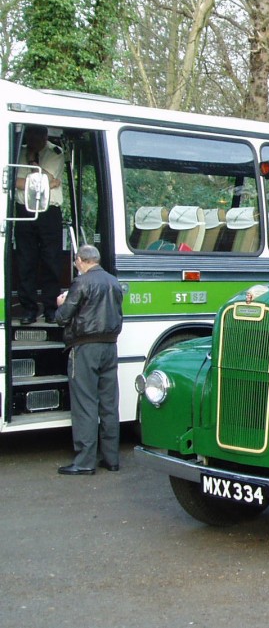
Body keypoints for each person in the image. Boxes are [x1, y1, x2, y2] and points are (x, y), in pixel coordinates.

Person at [54, 245, 123, 476]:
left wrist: (61, 303)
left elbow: (62, 318)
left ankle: (84, 462)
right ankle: (111, 458)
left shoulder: (81, 283)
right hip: (110, 347)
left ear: (81, 260)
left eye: (76, 261)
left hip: (84, 348)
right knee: (109, 404)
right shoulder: (114, 282)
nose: (76, 264)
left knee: (85, 404)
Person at [14, 125, 65, 324]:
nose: (34, 140)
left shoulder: (55, 152)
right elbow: (14, 181)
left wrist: (33, 164)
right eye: (31, 136)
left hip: (48, 211)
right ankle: (29, 309)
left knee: (51, 261)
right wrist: (44, 181)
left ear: (44, 136)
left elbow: (45, 179)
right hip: (24, 209)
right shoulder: (18, 151)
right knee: (25, 260)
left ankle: (51, 308)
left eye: (38, 136)